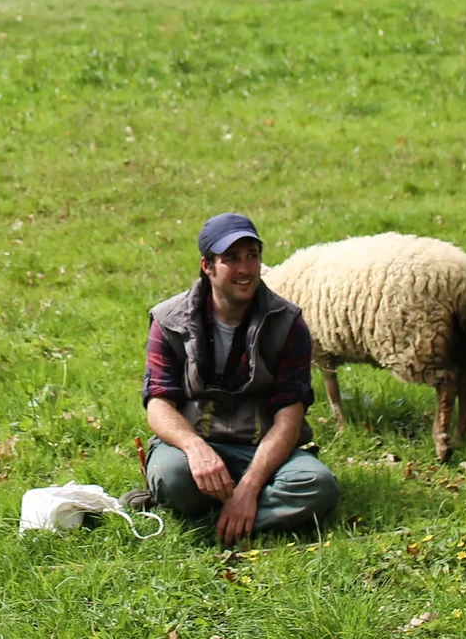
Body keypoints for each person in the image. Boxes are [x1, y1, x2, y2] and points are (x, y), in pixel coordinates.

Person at [136, 212, 339, 544]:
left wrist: (250, 486)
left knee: (319, 486)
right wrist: (195, 448)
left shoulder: (288, 323)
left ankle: (218, 519)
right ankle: (245, 513)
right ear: (207, 266)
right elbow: (159, 404)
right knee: (170, 476)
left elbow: (290, 415)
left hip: (264, 449)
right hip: (197, 449)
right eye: (232, 259)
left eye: (253, 256)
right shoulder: (168, 320)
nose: (245, 269)